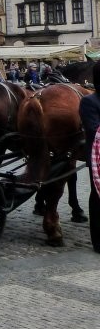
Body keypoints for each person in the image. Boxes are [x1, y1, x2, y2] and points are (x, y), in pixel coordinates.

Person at [78, 61, 100, 252]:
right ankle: (98, 240)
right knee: (97, 198)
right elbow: (93, 129)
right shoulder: (89, 101)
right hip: (97, 157)